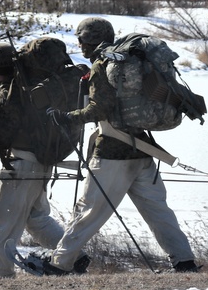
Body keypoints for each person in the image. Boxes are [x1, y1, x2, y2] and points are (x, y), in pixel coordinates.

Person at [41, 18, 199, 275]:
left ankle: (59, 264)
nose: (79, 45)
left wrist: (67, 116)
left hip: (112, 154)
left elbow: (99, 109)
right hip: (142, 150)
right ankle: (184, 262)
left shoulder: (102, 65)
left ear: (87, 41)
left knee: (88, 212)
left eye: (80, 40)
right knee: (159, 211)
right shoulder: (123, 60)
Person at [0, 41, 78, 278]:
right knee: (35, 218)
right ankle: (75, 258)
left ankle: (1, 274)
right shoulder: (34, 86)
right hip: (41, 160)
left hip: (21, 164)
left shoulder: (13, 89)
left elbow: (4, 135)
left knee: (1, 224)